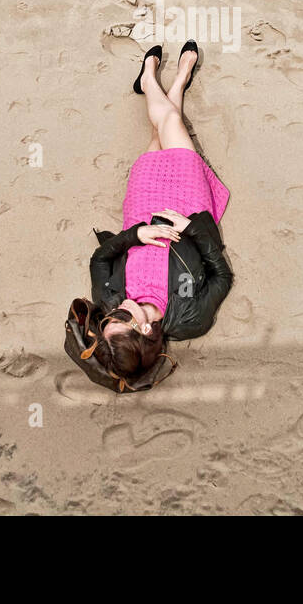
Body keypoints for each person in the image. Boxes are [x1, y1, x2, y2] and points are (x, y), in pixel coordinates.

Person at [84, 40, 234, 387]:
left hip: (142, 204)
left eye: (108, 321)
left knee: (158, 130)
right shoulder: (189, 318)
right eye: (122, 317)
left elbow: (99, 260)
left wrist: (135, 236)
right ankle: (155, 79)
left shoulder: (110, 303)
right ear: (146, 329)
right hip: (186, 204)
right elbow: (221, 277)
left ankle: (170, 82)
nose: (112, 313)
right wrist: (192, 228)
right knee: (167, 120)